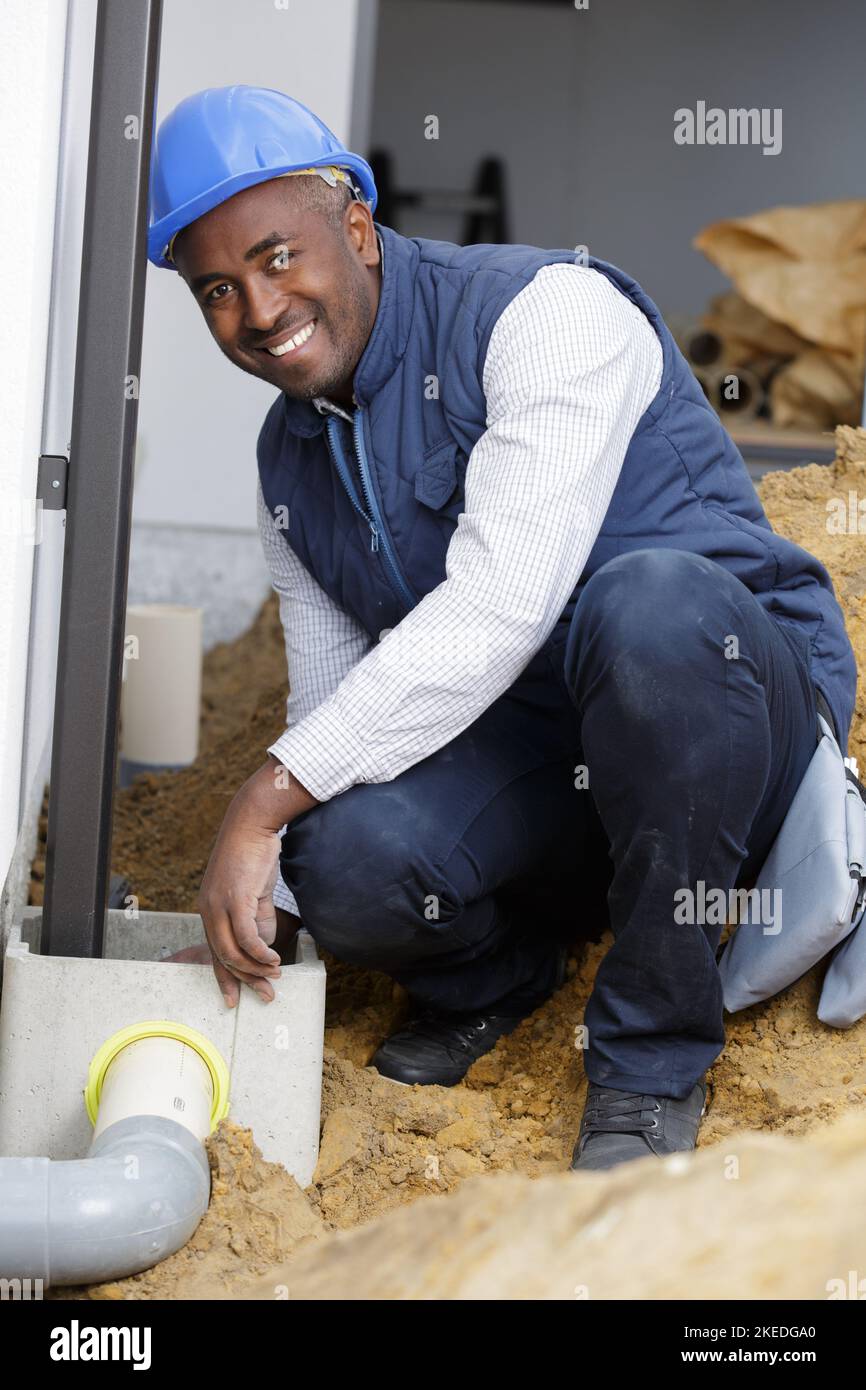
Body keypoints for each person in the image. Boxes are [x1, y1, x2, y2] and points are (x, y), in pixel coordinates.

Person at [147, 85, 856, 1172]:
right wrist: (274, 906)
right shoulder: (288, 461)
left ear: (356, 227)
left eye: (278, 255)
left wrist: (257, 801)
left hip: (725, 726)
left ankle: (649, 1060)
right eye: (217, 290)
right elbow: (331, 700)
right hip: (550, 758)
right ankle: (504, 976)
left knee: (648, 606)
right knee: (344, 853)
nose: (257, 308)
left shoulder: (546, 312)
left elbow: (499, 604)